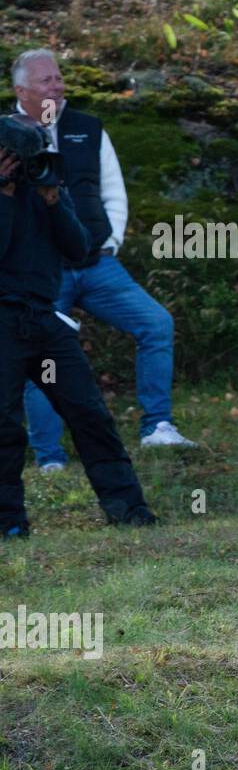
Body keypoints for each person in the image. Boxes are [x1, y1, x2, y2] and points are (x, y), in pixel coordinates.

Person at [12, 49, 196, 475]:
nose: (57, 86)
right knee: (45, 358)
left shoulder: (89, 128)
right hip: (41, 273)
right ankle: (50, 457)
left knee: (156, 324)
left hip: (96, 263)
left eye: (59, 78)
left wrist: (111, 239)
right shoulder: (6, 135)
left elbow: (113, 188)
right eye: (46, 81)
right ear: (21, 90)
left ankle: (157, 427)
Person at [0, 116, 157, 538]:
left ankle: (129, 511)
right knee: (4, 425)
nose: (26, 167)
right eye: (18, 159)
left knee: (89, 413)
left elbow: (78, 246)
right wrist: (4, 195)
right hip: (3, 319)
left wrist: (52, 200)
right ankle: (9, 523)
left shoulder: (47, 184)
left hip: (45, 316)